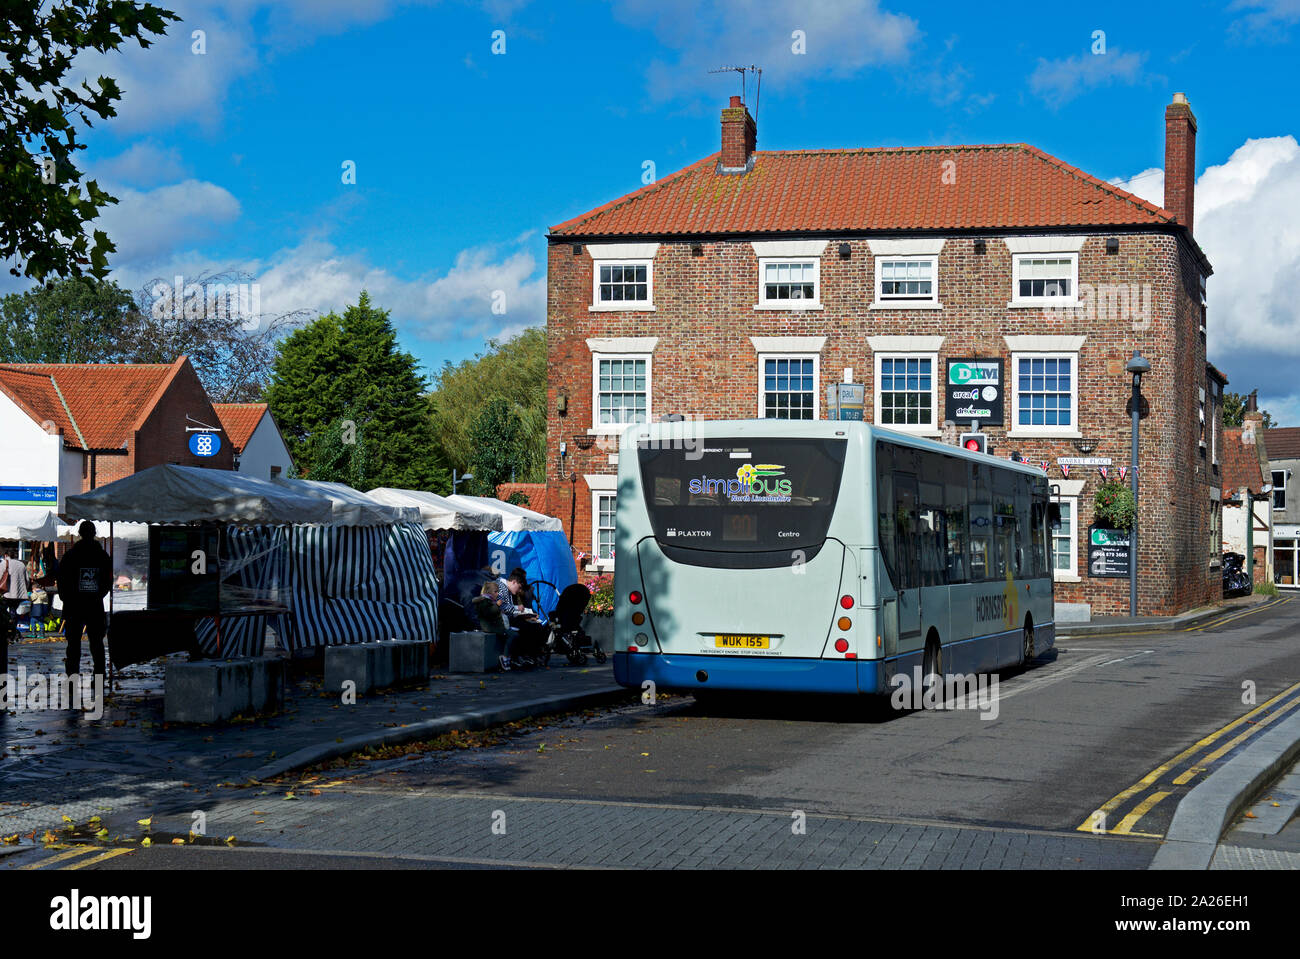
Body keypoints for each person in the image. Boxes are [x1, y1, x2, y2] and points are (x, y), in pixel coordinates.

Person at [56, 521, 113, 678]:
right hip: (94, 604)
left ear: (80, 533)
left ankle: (72, 674)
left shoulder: (70, 556)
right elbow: (108, 581)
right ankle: (99, 674)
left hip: (74, 605)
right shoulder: (102, 556)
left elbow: (61, 579)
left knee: (73, 644)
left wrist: (66, 597)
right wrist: (98, 594)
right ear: (94, 533)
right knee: (96, 643)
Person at [1, 546, 29, 620]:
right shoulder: (21, 564)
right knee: (13, 610)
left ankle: (7, 626)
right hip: (19, 594)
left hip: (6, 593)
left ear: (6, 555)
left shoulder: (4, 563)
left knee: (3, 610)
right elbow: (27, 580)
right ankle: (12, 626)